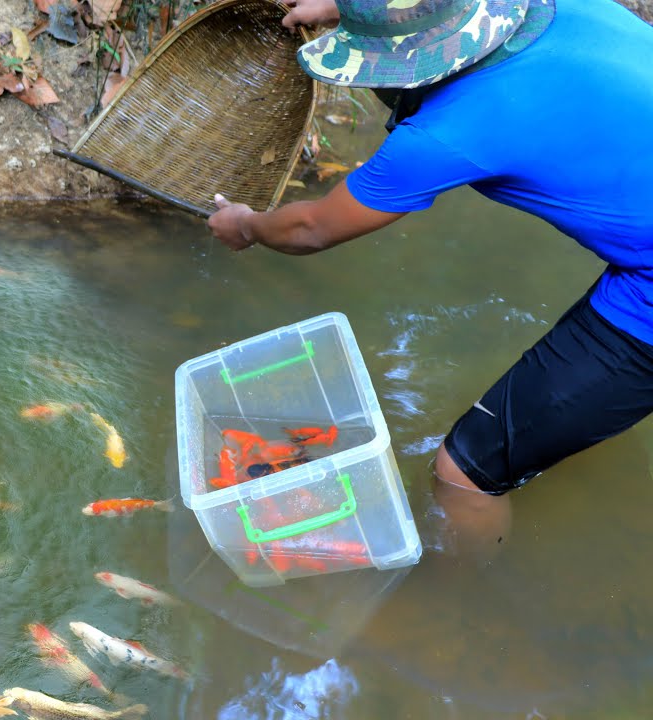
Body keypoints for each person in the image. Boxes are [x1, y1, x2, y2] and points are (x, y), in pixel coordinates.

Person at [208, 0, 653, 552]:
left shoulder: (449, 130)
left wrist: (246, 225)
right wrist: (350, 11)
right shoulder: (574, 8)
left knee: (464, 474)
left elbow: (311, 228)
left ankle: (461, 619)